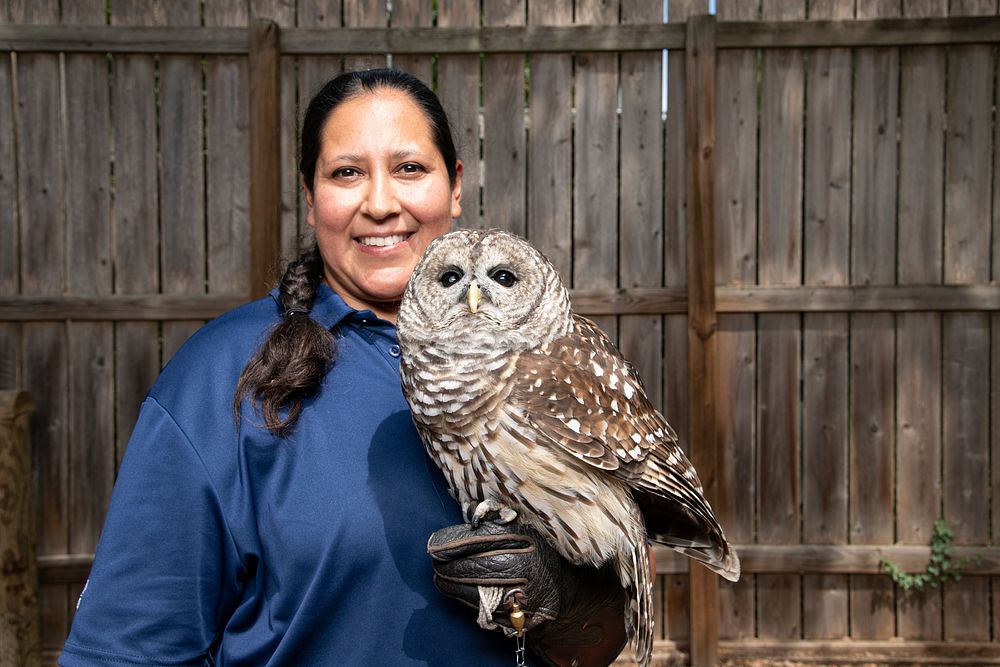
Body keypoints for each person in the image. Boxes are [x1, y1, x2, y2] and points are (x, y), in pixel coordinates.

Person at [59, 69, 626, 667]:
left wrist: (567, 604)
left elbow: (602, 639)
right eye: (347, 173)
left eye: (410, 168)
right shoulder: (220, 375)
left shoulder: (549, 358)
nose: (380, 204)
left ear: (454, 186)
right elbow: (126, 652)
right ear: (311, 198)